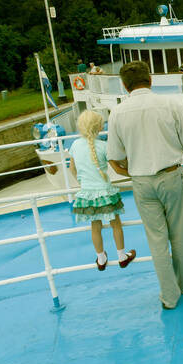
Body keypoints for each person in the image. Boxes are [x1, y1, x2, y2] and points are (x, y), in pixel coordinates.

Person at [106, 61, 183, 309]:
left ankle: (169, 297)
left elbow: (114, 160)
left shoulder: (117, 112)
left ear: (125, 86)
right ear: (150, 80)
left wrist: (133, 172)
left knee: (157, 240)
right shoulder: (170, 104)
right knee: (180, 234)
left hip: (141, 181)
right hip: (172, 175)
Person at [69, 110, 134, 271]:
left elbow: (72, 168)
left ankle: (101, 258)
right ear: (99, 127)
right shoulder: (104, 146)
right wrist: (134, 174)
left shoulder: (75, 145)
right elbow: (118, 168)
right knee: (116, 224)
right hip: (105, 192)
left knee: (95, 226)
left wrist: (82, 182)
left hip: (87, 192)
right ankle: (121, 256)